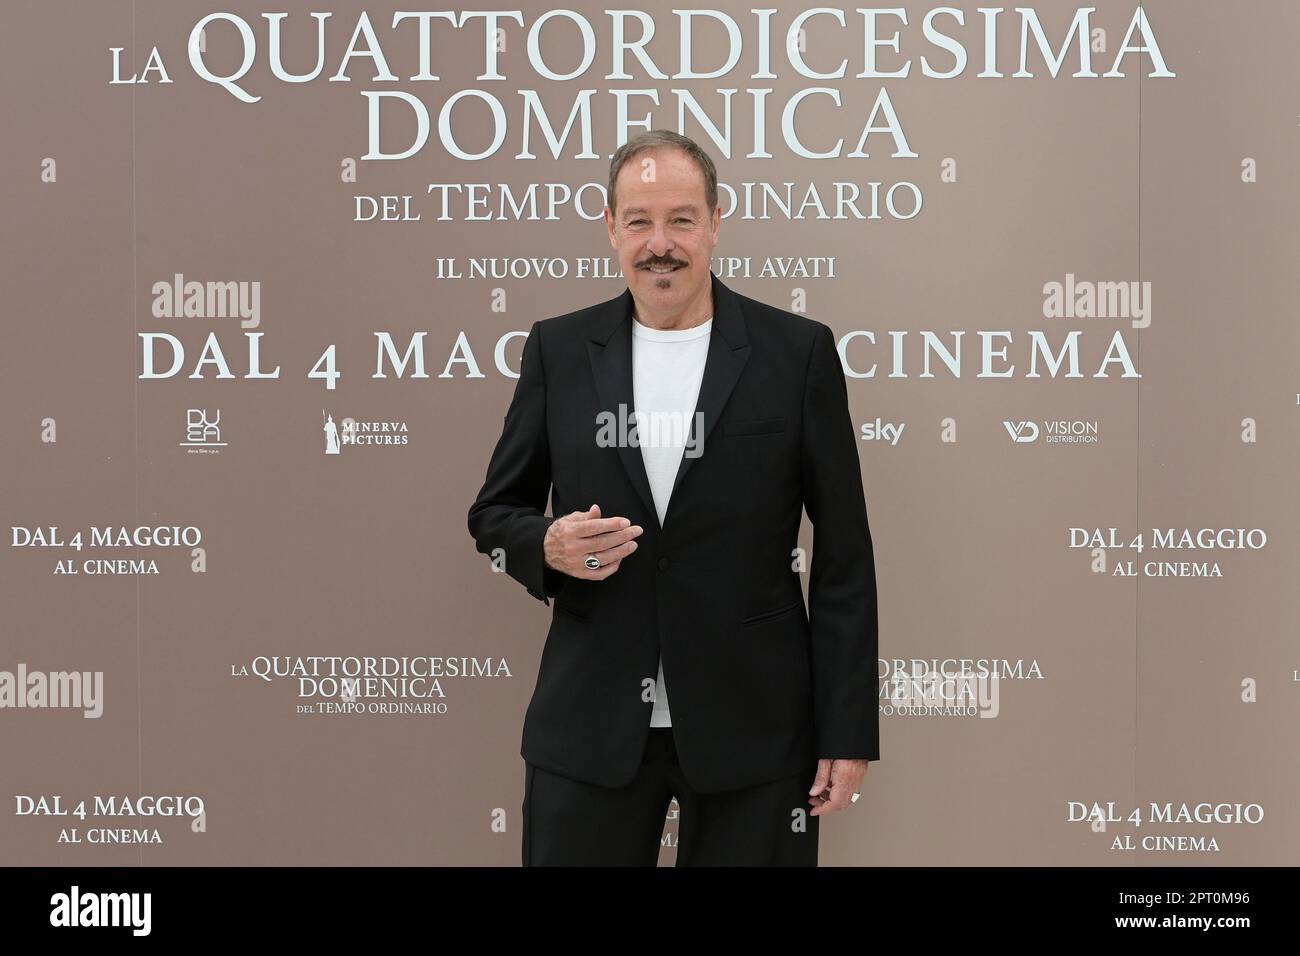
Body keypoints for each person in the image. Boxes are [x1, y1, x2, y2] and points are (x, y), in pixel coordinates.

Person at [467, 129, 879, 866]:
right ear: (611, 228)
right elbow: (496, 513)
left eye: (682, 219)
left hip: (756, 733)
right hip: (589, 726)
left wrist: (845, 732)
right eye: (640, 221)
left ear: (717, 222)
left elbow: (845, 558)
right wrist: (546, 546)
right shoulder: (558, 350)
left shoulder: (798, 353)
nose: (662, 243)